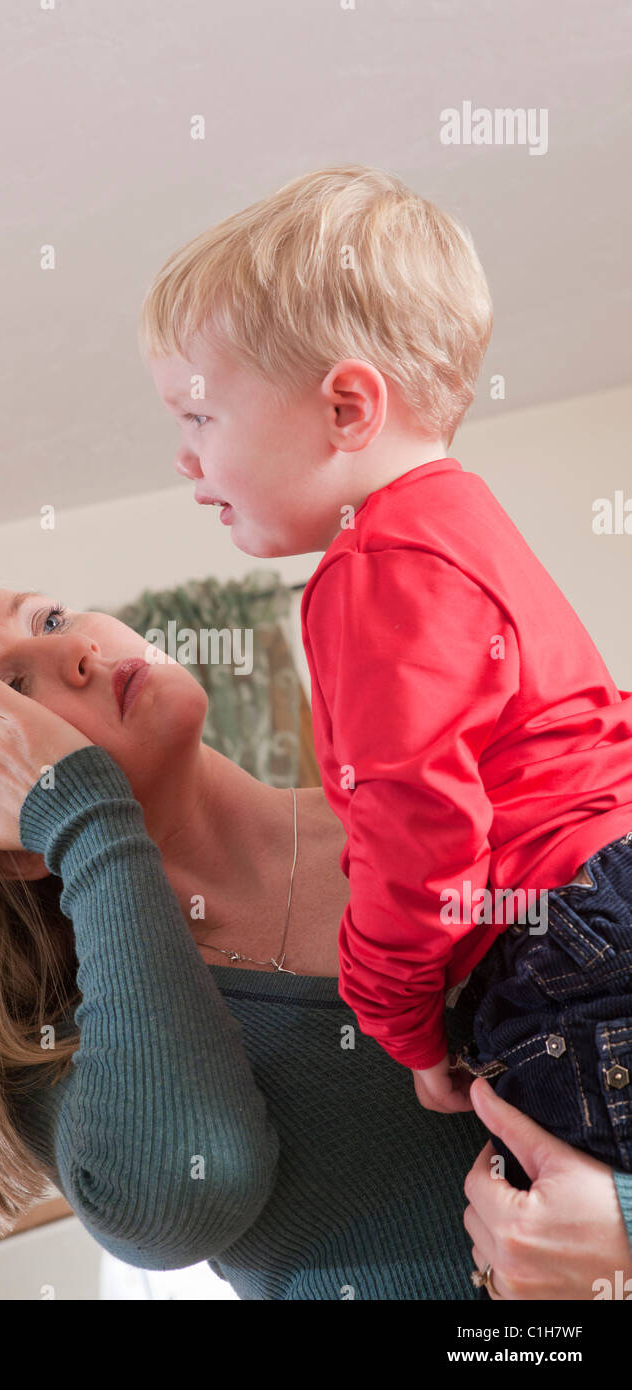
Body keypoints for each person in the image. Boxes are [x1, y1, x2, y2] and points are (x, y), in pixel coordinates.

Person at [0, 579, 632, 1299]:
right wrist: (83, 818)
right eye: (10, 690)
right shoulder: (70, 1056)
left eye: (51, 614)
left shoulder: (455, 805)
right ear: (2, 843)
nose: (75, 648)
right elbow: (185, 1193)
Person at [141, 164, 632, 1193]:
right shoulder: (459, 519)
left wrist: (393, 1013)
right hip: (603, 883)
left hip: (560, 938)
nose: (185, 462)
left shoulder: (370, 563)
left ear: (347, 406)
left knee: (542, 1244)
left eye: (197, 419)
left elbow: (422, 835)